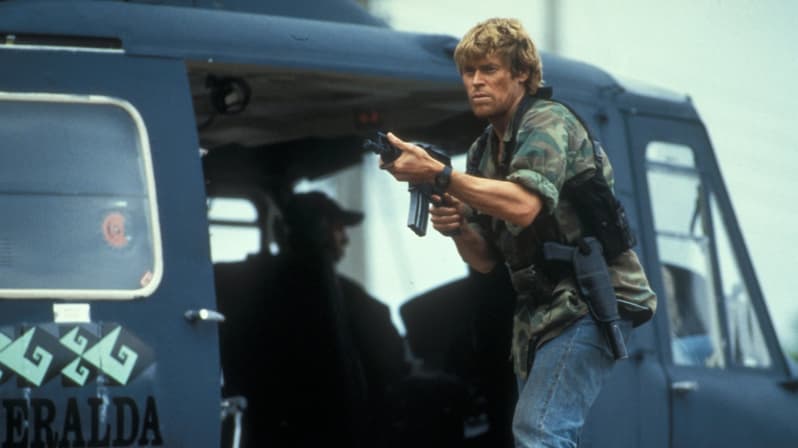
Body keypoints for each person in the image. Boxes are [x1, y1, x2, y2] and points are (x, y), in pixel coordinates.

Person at [378, 18, 657, 447]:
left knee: (540, 430)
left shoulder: (547, 122)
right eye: (469, 72)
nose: (476, 82)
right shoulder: (483, 151)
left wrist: (439, 174)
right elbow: (485, 260)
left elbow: (524, 205)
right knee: (537, 429)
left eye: (489, 69)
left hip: (590, 297)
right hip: (540, 311)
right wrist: (458, 227)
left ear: (522, 73)